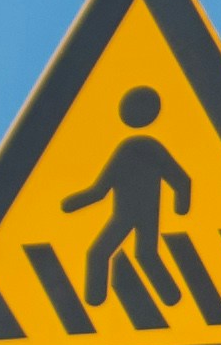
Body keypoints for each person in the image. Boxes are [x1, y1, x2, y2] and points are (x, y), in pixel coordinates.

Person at [61, 86, 192, 316]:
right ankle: (173, 299)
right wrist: (71, 204)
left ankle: (94, 304)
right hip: (142, 214)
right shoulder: (140, 149)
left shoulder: (138, 149)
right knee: (145, 254)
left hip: (127, 215)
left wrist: (182, 207)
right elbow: (181, 180)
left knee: (100, 253)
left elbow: (181, 180)